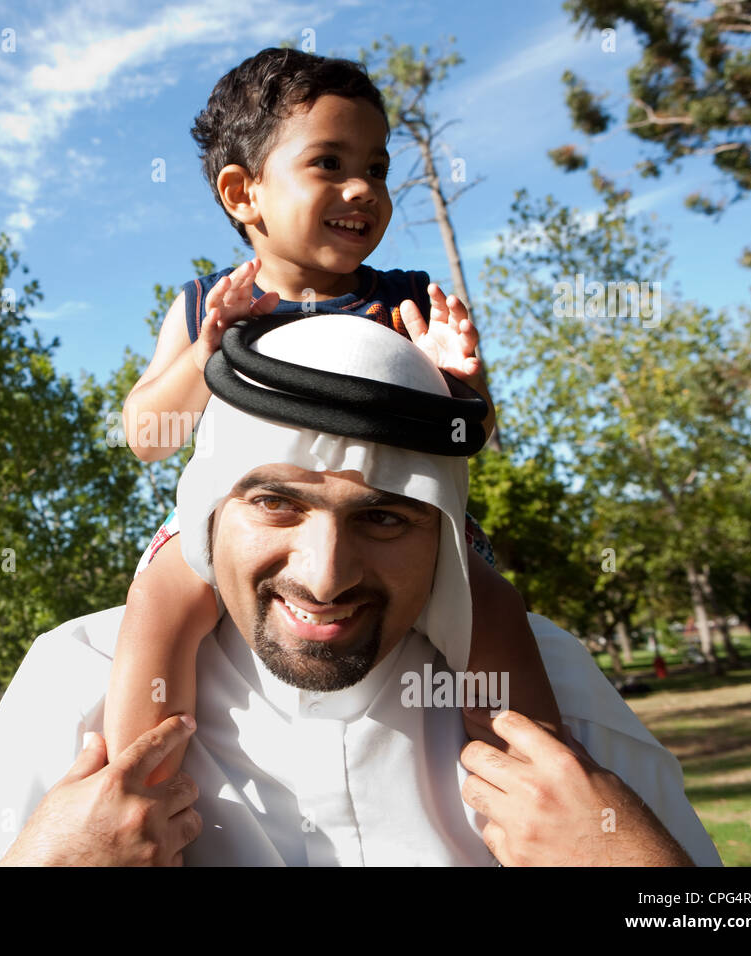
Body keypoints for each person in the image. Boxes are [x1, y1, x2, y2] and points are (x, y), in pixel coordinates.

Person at [0, 313, 722, 866]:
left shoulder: (553, 679)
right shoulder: (75, 676)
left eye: (385, 519)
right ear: (208, 511)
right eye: (276, 503)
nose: (325, 575)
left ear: (447, 530)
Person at [109, 47, 557, 787]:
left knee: (495, 609)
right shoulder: (205, 305)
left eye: (377, 168)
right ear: (242, 192)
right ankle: (140, 790)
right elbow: (147, 437)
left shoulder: (405, 299)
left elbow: (462, 441)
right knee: (156, 605)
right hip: (237, 521)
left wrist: (459, 385)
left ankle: (543, 787)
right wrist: (205, 353)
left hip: (398, 517)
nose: (363, 189)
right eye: (329, 163)